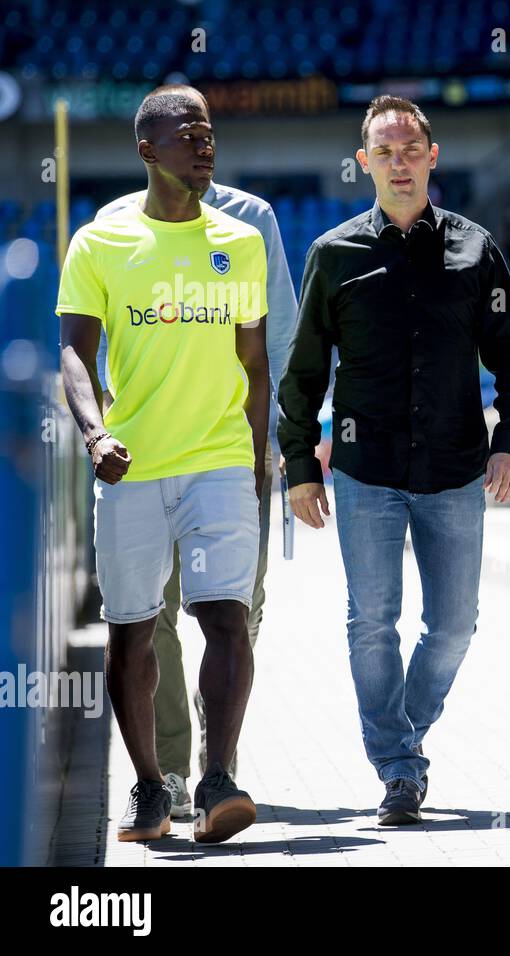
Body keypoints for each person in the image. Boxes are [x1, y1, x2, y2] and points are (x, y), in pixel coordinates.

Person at [278, 95, 510, 826]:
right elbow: (302, 375)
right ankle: (398, 768)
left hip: (456, 470)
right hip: (366, 472)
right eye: (383, 152)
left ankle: (402, 739)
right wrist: (300, 464)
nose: (398, 162)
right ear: (365, 163)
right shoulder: (333, 255)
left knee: (454, 626)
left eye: (409, 149)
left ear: (432, 156)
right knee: (372, 623)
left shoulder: (474, 248)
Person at [57, 88, 269, 843]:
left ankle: (218, 779)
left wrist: (258, 457)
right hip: (133, 469)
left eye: (210, 135)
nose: (205, 146)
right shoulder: (99, 244)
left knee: (226, 619)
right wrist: (94, 436)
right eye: (189, 135)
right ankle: (150, 788)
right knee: (132, 634)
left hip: (218, 462)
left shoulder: (239, 243)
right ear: (148, 151)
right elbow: (74, 356)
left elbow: (255, 360)